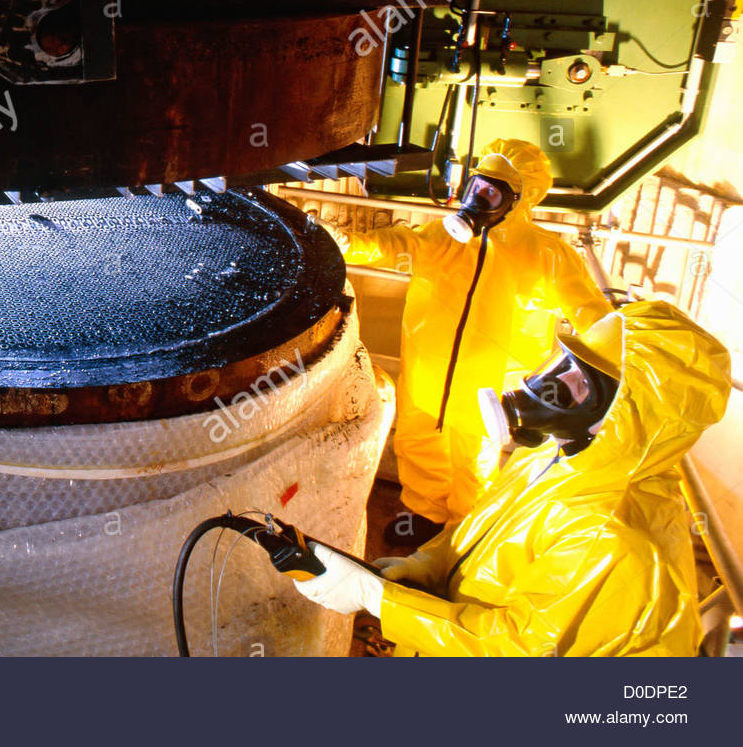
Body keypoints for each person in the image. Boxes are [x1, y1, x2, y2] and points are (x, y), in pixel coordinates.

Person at [289, 300, 731, 656]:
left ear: (625, 416)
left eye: (577, 381)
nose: (544, 382)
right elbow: (474, 534)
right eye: (561, 362)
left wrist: (380, 599)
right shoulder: (554, 456)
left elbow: (518, 648)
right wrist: (420, 568)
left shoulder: (612, 536)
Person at [342, 139, 609, 538]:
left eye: (492, 192)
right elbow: (394, 245)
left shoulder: (545, 255)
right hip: (428, 367)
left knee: (476, 457)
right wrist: (341, 243)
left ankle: (462, 533)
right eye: (476, 187)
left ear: (517, 200)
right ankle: (424, 515)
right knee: (419, 439)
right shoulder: (444, 238)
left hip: (491, 380)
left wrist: (615, 358)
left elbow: (591, 313)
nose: (478, 198)